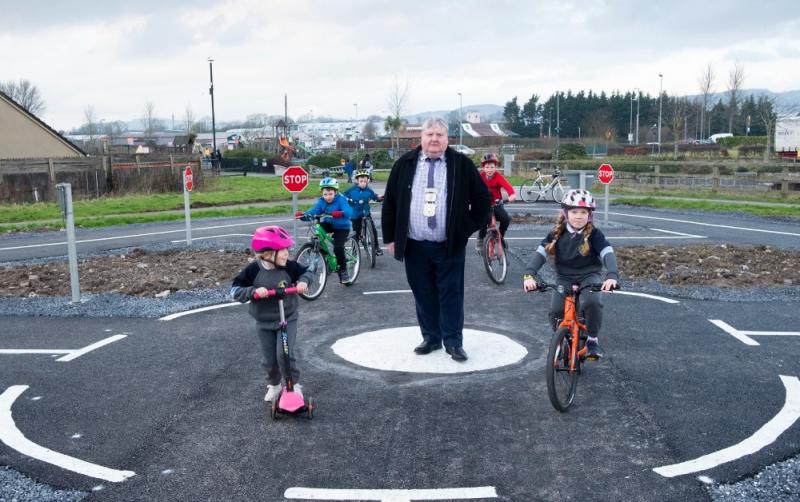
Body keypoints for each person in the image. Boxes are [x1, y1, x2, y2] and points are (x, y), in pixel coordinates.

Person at [381, 117, 491, 361]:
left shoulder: (461, 164)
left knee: (451, 293)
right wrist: (391, 237)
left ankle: (453, 342)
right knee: (423, 292)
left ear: (447, 139)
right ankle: (431, 337)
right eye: (429, 134)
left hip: (448, 245)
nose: (433, 139)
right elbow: (390, 201)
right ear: (421, 138)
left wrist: (465, 228)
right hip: (414, 244)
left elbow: (483, 200)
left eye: (439, 135)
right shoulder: (405, 164)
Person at [522, 189, 619, 360]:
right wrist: (529, 274)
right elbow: (540, 255)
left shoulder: (595, 235)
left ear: (589, 215)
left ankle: (592, 340)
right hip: (564, 278)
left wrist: (611, 275)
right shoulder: (556, 234)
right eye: (574, 212)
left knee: (592, 302)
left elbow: (607, 254)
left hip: (589, 276)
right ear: (566, 213)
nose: (579, 216)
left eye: (583, 212)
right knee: (556, 311)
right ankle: (561, 340)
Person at [230, 226, 313, 402]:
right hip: (264, 322)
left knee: (285, 354)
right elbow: (234, 290)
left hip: (287, 318)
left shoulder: (289, 267)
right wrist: (252, 291)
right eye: (282, 250)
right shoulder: (253, 270)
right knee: (269, 360)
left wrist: (304, 282)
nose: (286, 254)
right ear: (267, 254)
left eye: (287, 250)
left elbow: (307, 272)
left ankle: (293, 385)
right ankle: (274, 385)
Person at [302, 177, 353, 284]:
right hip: (330, 224)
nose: (327, 197)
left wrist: (341, 213)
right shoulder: (321, 201)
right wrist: (305, 215)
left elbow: (349, 211)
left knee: (338, 247)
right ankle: (322, 252)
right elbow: (315, 210)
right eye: (325, 194)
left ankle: (343, 271)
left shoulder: (341, 200)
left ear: (336, 192)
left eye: (330, 194)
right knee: (318, 231)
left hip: (342, 227)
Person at [477, 152, 516, 252]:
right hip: (484, 204)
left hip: (497, 203)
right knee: (484, 220)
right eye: (487, 167)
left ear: (495, 167)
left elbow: (507, 186)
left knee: (506, 219)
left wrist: (511, 194)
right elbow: (472, 188)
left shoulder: (498, 176)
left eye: (492, 167)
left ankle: (500, 237)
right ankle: (480, 239)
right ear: (483, 168)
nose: (489, 170)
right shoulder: (480, 177)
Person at [343, 169, 383, 256]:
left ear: (367, 181)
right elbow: (343, 196)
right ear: (357, 181)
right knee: (356, 233)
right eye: (361, 181)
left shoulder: (369, 190)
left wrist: (380, 198)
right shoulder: (352, 190)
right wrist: (348, 200)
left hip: (366, 214)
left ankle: (376, 247)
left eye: (365, 181)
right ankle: (354, 251)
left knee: (373, 230)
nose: (363, 183)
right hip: (355, 215)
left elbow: (375, 197)